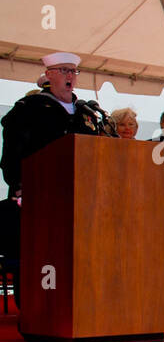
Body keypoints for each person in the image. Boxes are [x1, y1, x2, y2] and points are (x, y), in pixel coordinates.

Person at [0, 52, 116, 304]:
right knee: (42, 257)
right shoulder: (28, 109)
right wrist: (19, 186)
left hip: (82, 199)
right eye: (64, 71)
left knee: (77, 256)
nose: (70, 77)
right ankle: (37, 310)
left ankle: (80, 306)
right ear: (49, 75)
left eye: (73, 72)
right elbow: (11, 154)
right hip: (42, 197)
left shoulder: (87, 112)